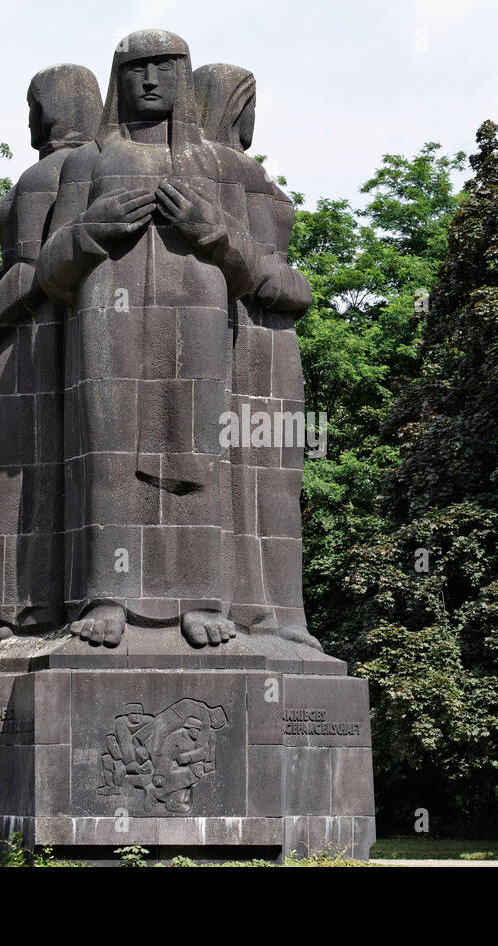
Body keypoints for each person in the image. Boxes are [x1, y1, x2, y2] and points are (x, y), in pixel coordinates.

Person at [36, 30, 266, 649]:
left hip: (197, 325)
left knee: (196, 459)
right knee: (108, 457)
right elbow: (49, 271)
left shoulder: (217, 168)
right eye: (136, 69)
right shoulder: (88, 163)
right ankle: (108, 597)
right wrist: (91, 229)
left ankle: (200, 600)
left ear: (185, 77)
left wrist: (212, 229)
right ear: (119, 80)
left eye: (165, 67)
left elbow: (256, 273)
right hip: (106, 328)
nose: (150, 80)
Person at [0, 65, 102, 646]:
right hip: (70, 342)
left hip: (24, 343)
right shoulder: (100, 164)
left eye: (33, 105)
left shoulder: (47, 174)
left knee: (13, 479)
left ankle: (7, 616)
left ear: (53, 107)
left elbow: (27, 269)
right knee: (57, 478)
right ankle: (47, 611)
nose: (30, 119)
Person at [194, 63, 320, 649]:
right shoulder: (232, 175)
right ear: (232, 108)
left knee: (268, 486)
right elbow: (276, 279)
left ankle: (276, 615)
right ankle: (264, 615)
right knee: (245, 484)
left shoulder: (244, 178)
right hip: (243, 341)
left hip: (261, 345)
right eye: (247, 103)